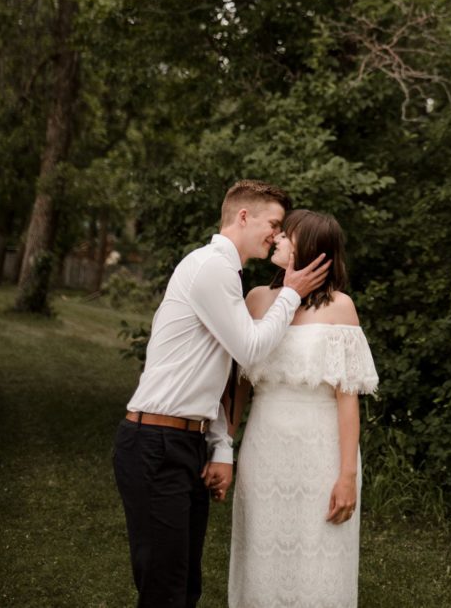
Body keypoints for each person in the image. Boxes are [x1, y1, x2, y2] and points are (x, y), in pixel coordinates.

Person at [113, 180, 331, 608]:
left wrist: (219, 449)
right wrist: (292, 294)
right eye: (273, 223)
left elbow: (213, 378)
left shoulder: (226, 274)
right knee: (165, 590)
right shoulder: (210, 267)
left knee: (184, 585)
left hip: (183, 442)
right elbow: (249, 350)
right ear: (243, 216)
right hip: (156, 444)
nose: (276, 233)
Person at [228, 208, 378, 608]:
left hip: (321, 453)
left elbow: (347, 401)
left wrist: (347, 476)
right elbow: (240, 385)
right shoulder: (257, 299)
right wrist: (222, 447)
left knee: (319, 559)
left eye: (287, 235)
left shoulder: (341, 308)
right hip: (265, 447)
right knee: (261, 550)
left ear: (310, 247)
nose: (276, 238)